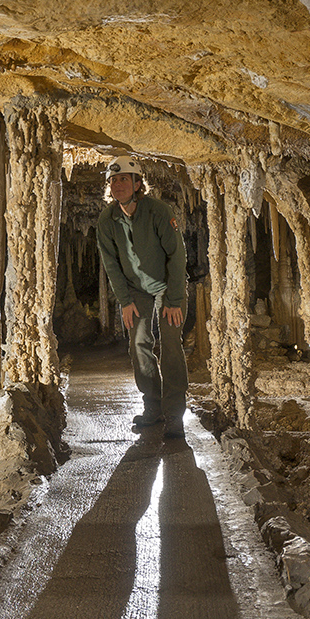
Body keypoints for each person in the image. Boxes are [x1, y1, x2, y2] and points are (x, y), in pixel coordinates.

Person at [95, 156, 188, 439]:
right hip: (136, 292)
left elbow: (176, 255)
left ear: (138, 184)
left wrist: (172, 300)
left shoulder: (158, 211)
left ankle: (174, 415)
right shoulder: (107, 219)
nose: (117, 185)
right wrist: (124, 300)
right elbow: (111, 264)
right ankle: (153, 407)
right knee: (138, 346)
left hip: (166, 287)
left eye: (123, 179)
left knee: (170, 345)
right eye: (113, 180)